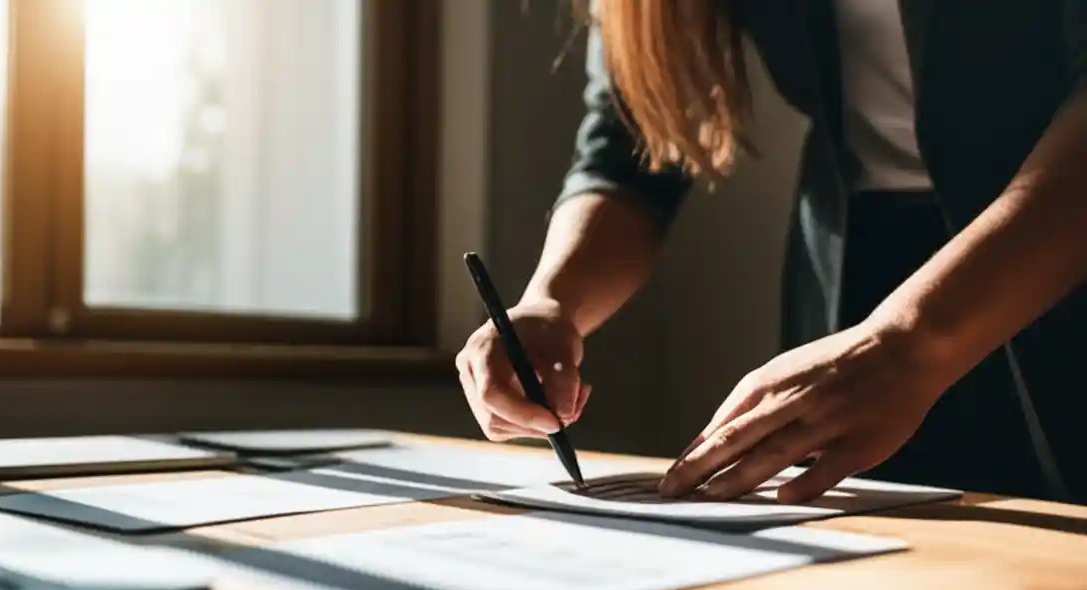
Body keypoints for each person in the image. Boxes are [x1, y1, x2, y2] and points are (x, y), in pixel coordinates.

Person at [456, 0, 1087, 503]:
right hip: (857, 278)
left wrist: (910, 340)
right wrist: (552, 301)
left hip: (1048, 246)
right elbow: (631, 146)